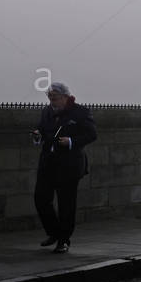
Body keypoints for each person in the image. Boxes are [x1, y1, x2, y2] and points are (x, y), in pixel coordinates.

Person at [33, 81, 97, 253]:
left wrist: (71, 142)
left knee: (66, 203)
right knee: (40, 198)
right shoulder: (47, 111)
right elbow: (42, 130)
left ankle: (64, 240)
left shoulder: (80, 112)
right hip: (48, 162)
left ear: (65, 97)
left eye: (55, 98)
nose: (52, 101)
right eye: (49, 97)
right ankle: (54, 232)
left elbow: (92, 134)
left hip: (69, 164)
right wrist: (38, 135)